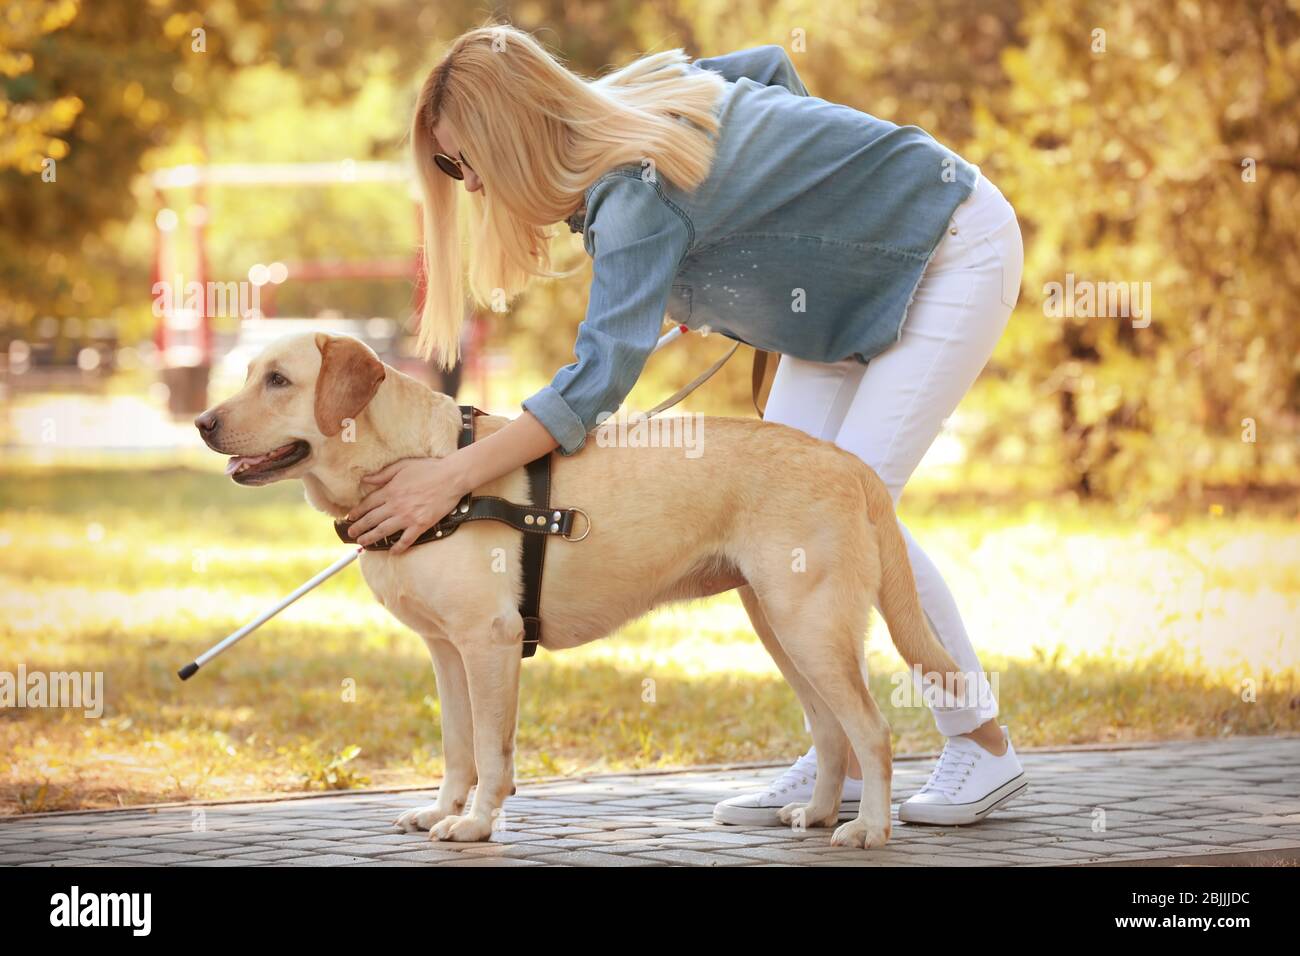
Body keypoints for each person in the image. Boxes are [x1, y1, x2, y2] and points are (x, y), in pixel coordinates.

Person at [346, 24, 1027, 826]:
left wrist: (455, 474)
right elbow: (766, 65)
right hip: (838, 295)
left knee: (852, 509)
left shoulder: (633, 191)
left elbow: (595, 383)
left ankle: (981, 745)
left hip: (948, 246)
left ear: (514, 140)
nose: (465, 188)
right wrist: (775, 235)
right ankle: (836, 755)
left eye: (463, 164)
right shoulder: (622, 102)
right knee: (761, 523)